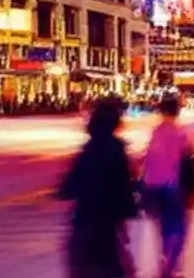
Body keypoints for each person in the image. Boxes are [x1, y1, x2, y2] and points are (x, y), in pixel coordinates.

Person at [59, 96, 138, 278]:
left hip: (84, 223)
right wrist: (129, 208)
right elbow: (123, 189)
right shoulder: (116, 151)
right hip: (105, 229)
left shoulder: (88, 150)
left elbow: (68, 188)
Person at [143, 95, 192, 278]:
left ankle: (166, 258)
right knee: (178, 228)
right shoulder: (180, 134)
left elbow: (148, 161)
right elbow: (187, 161)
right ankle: (171, 265)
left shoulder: (156, 133)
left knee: (164, 227)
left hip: (153, 186)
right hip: (172, 186)